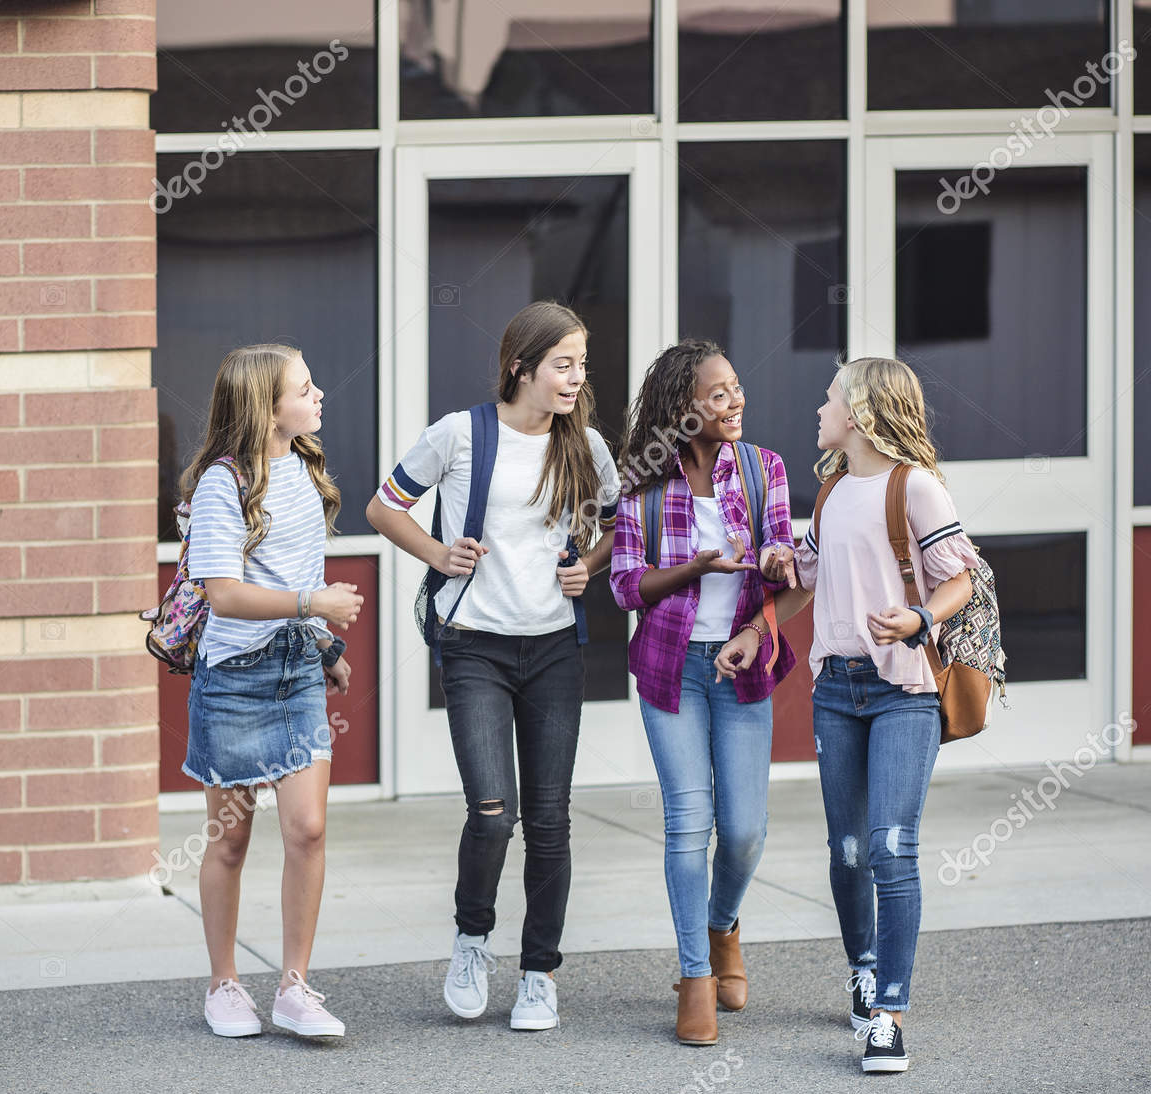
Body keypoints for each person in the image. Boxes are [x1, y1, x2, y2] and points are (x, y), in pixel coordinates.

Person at [366, 301, 620, 1031]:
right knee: (492, 813)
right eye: (562, 363)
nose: (576, 377)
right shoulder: (460, 434)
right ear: (522, 366)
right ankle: (472, 939)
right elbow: (386, 509)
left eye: (581, 363)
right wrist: (437, 552)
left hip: (552, 651)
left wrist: (588, 568)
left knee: (549, 821)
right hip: (474, 643)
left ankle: (539, 972)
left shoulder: (587, 447)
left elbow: (614, 525)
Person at [772, 356, 980, 1073]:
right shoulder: (830, 493)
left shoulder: (914, 487)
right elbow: (802, 575)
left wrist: (919, 617)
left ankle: (888, 1014)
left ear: (859, 414)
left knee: (891, 846)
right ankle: (862, 967)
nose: (819, 410)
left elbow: (962, 577)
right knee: (848, 850)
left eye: (829, 399)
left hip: (904, 690)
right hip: (835, 690)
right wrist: (756, 601)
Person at [609, 338, 799, 1046]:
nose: (734, 402)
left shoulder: (763, 469)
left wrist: (777, 560)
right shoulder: (642, 487)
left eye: (736, 388)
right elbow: (626, 584)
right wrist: (694, 567)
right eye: (717, 395)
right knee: (689, 822)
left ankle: (723, 928)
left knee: (745, 830)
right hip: (673, 668)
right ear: (682, 411)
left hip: (742, 664)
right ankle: (695, 979)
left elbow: (781, 558)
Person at [182, 343, 365, 1040]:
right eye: (305, 389)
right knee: (230, 842)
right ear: (266, 406)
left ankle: (294, 984)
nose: (319, 397)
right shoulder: (221, 484)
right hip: (233, 678)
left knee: (309, 829)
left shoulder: (306, 470)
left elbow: (296, 566)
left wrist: (323, 648)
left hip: (296, 670)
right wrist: (314, 604)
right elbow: (224, 595)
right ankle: (224, 983)